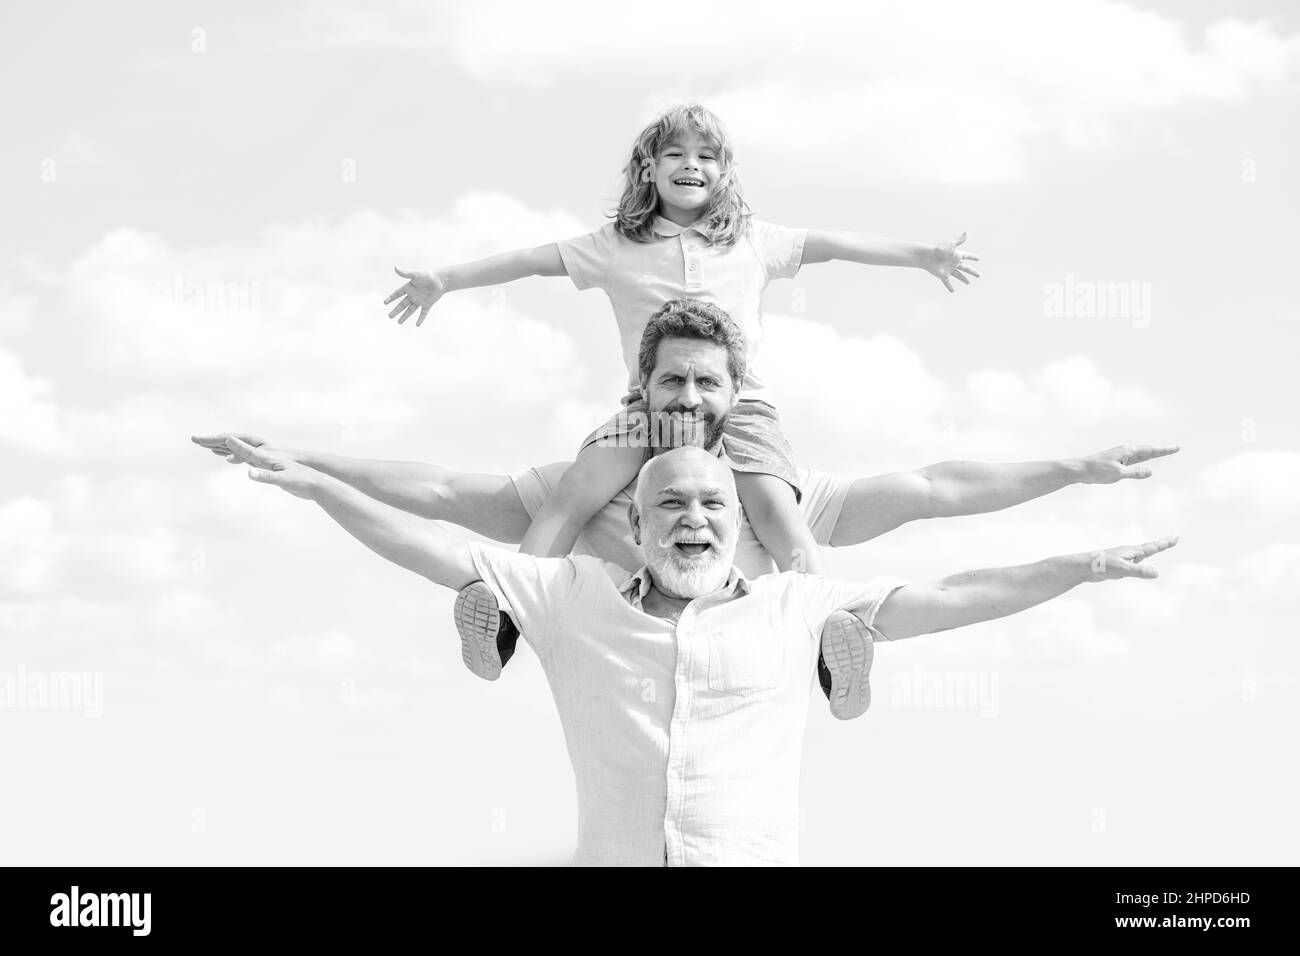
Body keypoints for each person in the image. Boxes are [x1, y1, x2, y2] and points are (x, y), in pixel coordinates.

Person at [203, 440, 1176, 866]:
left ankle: (848, 673)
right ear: (634, 519)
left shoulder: (796, 602)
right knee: (483, 582)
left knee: (857, 624)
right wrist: (316, 484)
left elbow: (951, 594)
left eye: (714, 502)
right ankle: (489, 630)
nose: (695, 516)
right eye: (671, 501)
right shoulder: (577, 593)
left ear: (738, 522)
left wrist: (1079, 561)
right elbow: (434, 539)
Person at [194, 305, 1178, 718]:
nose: (687, 400)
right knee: (525, 559)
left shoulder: (766, 480)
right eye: (670, 381)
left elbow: (933, 489)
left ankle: (836, 656)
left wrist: (1074, 469)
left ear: (732, 390)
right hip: (614, 663)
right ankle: (496, 629)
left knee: (830, 600)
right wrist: (309, 458)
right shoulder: (602, 468)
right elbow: (447, 492)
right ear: (642, 385)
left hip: (741, 675)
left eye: (707, 383)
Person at [381, 104, 981, 674]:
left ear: (725, 174)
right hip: (650, 408)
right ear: (648, 168)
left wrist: (921, 256)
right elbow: (533, 261)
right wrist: (446, 279)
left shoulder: (750, 239)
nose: (690, 164)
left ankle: (827, 639)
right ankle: (506, 615)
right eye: (675, 153)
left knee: (780, 517)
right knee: (574, 492)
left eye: (706, 156)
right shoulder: (615, 245)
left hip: (741, 412)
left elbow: (831, 246)